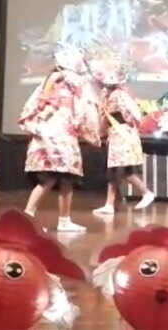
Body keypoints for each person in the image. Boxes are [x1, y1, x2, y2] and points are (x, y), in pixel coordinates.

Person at [19, 43, 101, 232]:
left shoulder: (48, 82)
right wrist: (92, 133)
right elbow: (84, 111)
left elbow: (32, 108)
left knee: (59, 178)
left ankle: (50, 218)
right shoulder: (76, 83)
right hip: (61, 136)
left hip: (46, 133)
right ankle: (31, 216)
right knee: (56, 178)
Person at [89, 56, 156, 215]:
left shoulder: (120, 95)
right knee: (114, 170)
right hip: (117, 134)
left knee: (125, 170)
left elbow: (132, 115)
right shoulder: (110, 95)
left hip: (123, 134)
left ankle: (146, 192)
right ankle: (109, 204)